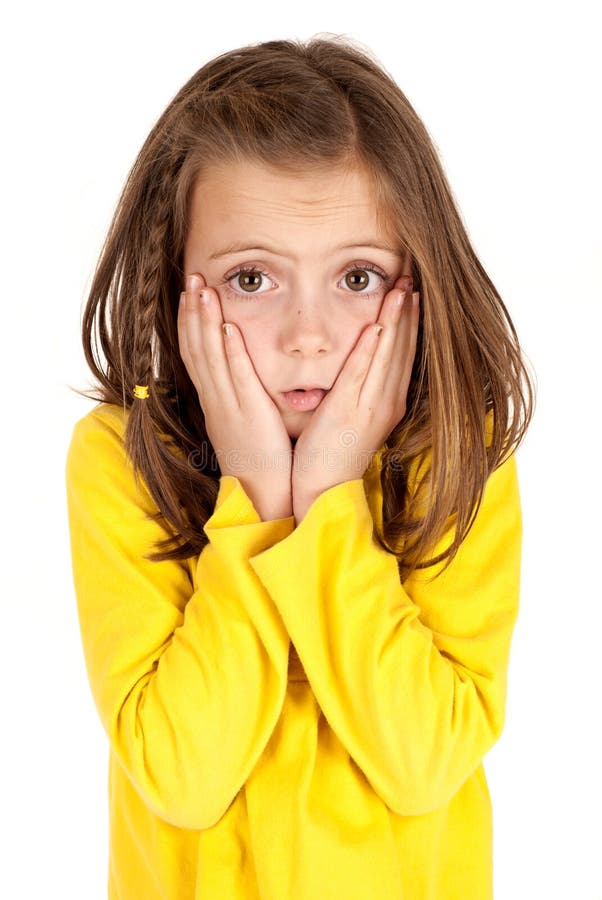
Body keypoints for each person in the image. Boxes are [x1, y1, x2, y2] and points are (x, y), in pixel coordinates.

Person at [65, 33, 535, 900]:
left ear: (416, 283)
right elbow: (180, 775)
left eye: (358, 278)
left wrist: (326, 505)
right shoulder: (125, 460)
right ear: (175, 286)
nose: (308, 335)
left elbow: (426, 762)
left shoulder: (458, 457)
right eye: (252, 279)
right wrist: (251, 500)